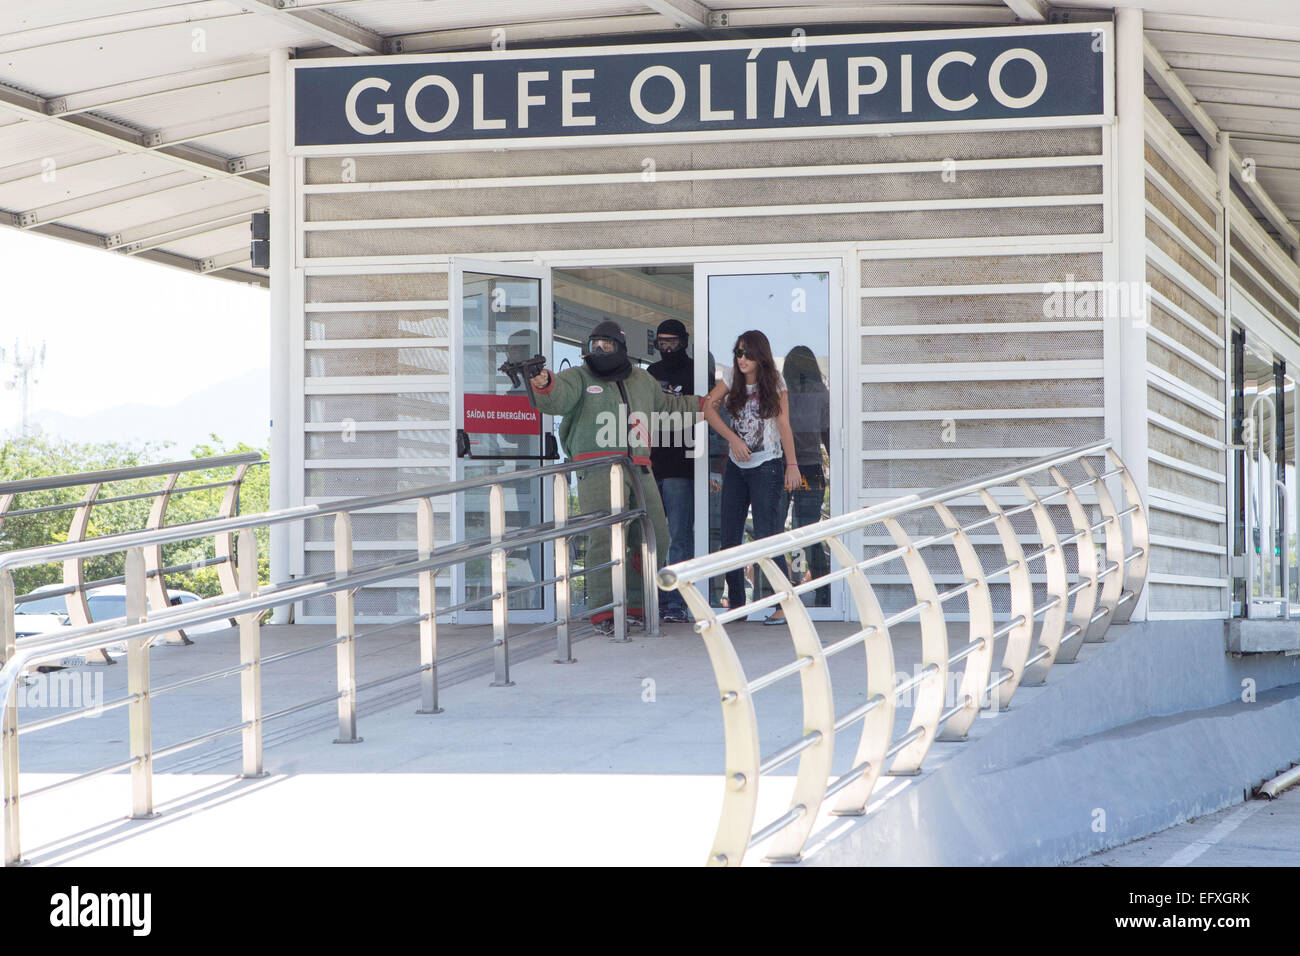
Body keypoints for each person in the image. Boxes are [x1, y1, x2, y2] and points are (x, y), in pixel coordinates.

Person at [528, 320, 700, 634]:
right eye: (594, 345)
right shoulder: (579, 376)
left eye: (606, 345)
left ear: (621, 348)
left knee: (655, 538)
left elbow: (668, 406)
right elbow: (557, 398)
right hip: (597, 467)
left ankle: (635, 604)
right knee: (604, 539)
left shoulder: (642, 379)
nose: (599, 350)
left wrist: (706, 404)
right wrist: (543, 382)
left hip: (640, 466)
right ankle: (603, 612)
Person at [702, 330, 802, 625]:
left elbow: (783, 423)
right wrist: (732, 438)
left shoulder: (775, 382)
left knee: (766, 535)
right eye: (738, 353)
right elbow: (709, 408)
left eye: (747, 354)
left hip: (767, 466)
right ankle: (736, 605)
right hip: (736, 466)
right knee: (729, 537)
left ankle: (784, 603)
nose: (741, 359)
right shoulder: (732, 377)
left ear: (760, 356)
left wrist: (792, 464)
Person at [646, 319, 694, 624]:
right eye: (662, 341)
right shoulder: (650, 374)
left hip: (682, 466)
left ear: (683, 341)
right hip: (651, 466)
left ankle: (676, 603)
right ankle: (654, 602)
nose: (666, 346)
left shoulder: (695, 373)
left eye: (672, 341)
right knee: (654, 539)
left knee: (678, 538)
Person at [780, 345, 832, 606]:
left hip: (781, 466)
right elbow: (828, 435)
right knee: (810, 532)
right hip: (810, 468)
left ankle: (772, 592)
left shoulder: (781, 393)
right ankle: (825, 592)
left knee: (775, 532)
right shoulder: (822, 394)